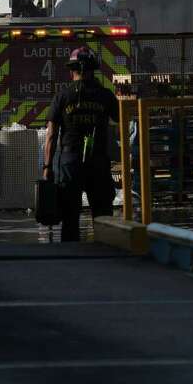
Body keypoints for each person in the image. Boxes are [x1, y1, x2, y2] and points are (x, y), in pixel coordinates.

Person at [42, 47, 117, 241]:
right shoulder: (106, 95)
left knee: (70, 216)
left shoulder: (62, 96)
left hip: (70, 162)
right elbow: (121, 120)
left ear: (71, 70)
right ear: (93, 69)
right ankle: (106, 256)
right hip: (98, 160)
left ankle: (70, 257)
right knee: (103, 216)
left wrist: (47, 167)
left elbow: (51, 135)